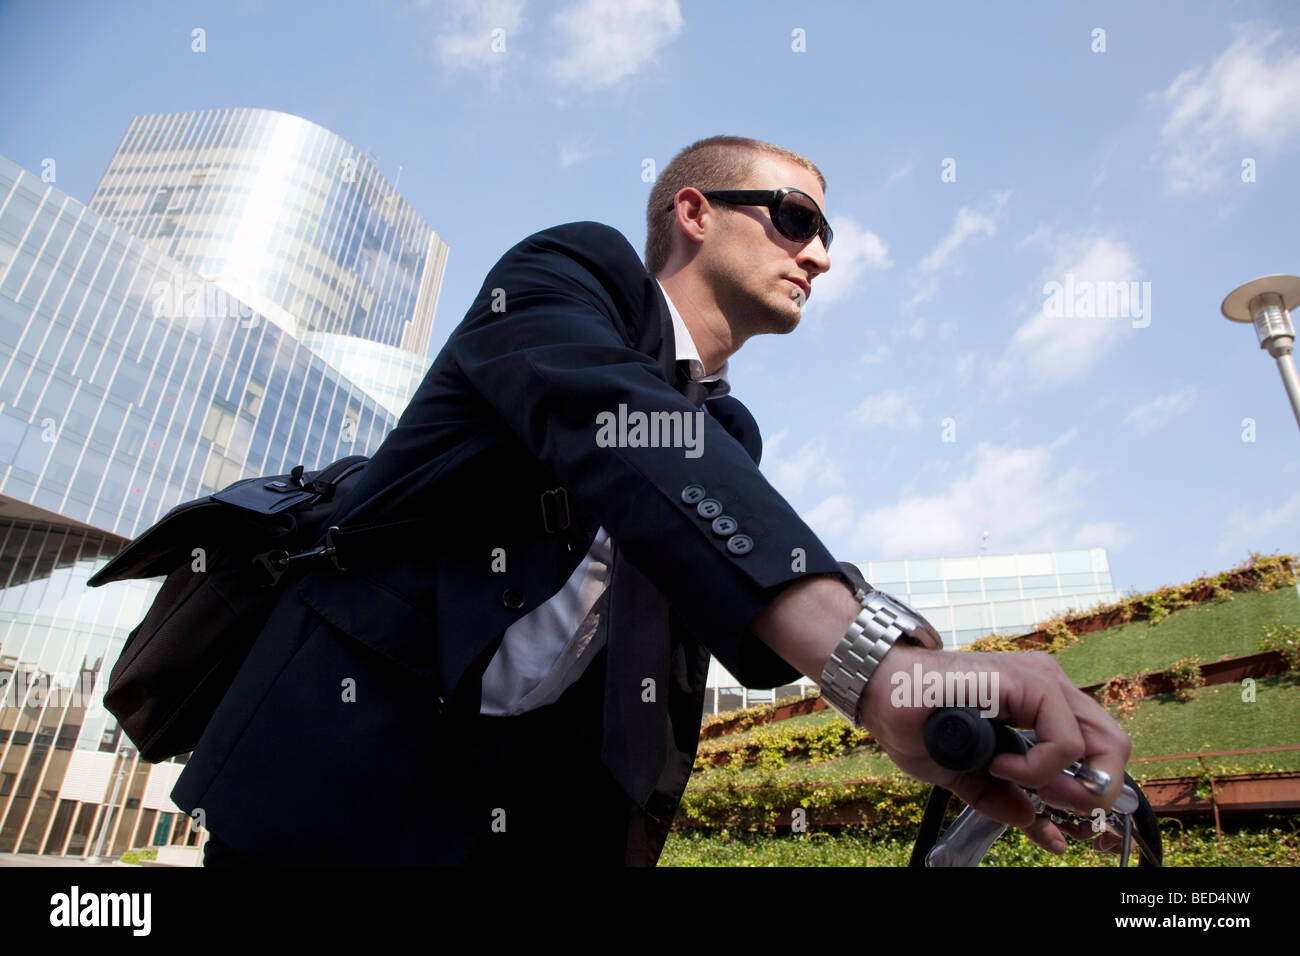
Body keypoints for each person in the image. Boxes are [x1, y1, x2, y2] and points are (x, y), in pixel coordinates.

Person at [175, 135, 1130, 866]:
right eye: (797, 218)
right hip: (339, 779)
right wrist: (883, 667)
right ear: (695, 211)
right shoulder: (570, 273)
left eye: (827, 235)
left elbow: (739, 583)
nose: (822, 256)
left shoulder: (732, 432)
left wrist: (943, 715)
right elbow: (618, 422)